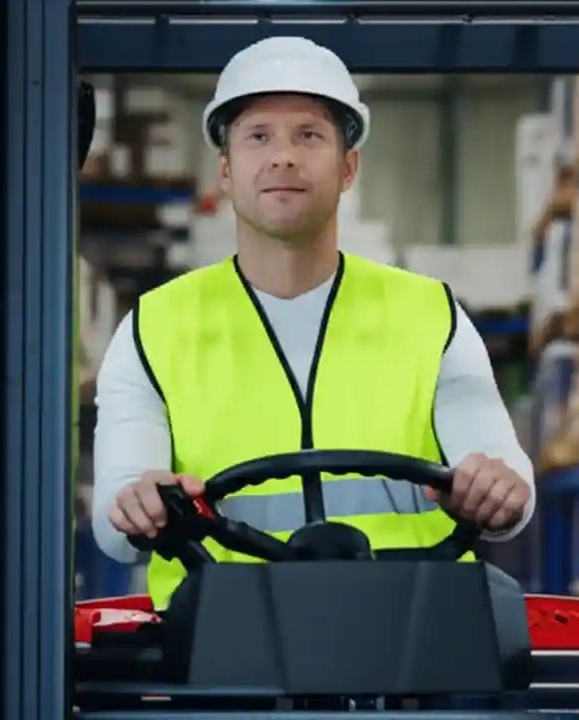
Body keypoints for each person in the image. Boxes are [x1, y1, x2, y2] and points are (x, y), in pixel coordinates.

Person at [91, 37, 537, 640]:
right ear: (225, 168)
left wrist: (501, 489)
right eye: (258, 136)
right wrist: (137, 502)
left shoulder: (430, 313)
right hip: (222, 650)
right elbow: (115, 521)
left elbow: (505, 478)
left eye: (308, 135)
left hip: (415, 640)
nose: (282, 157)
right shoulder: (154, 327)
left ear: (347, 167)